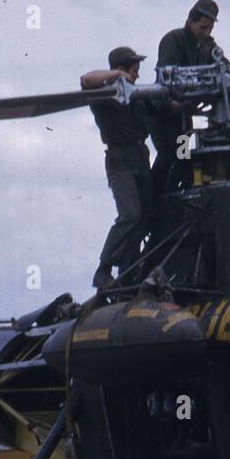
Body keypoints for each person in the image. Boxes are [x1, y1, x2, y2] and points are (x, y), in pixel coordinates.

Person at [80, 45, 152, 290]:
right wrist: (116, 77)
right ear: (121, 69)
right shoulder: (103, 94)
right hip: (119, 160)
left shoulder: (138, 95)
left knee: (147, 216)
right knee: (130, 214)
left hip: (141, 156)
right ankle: (103, 270)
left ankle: (128, 270)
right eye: (133, 70)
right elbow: (86, 79)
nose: (137, 76)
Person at [150, 0, 222, 194]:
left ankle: (173, 201)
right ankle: (151, 203)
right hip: (164, 114)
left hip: (183, 117)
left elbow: (223, 68)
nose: (205, 33)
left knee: (184, 159)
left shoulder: (208, 45)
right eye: (202, 28)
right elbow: (167, 77)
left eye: (209, 29)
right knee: (169, 154)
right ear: (190, 22)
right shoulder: (173, 40)